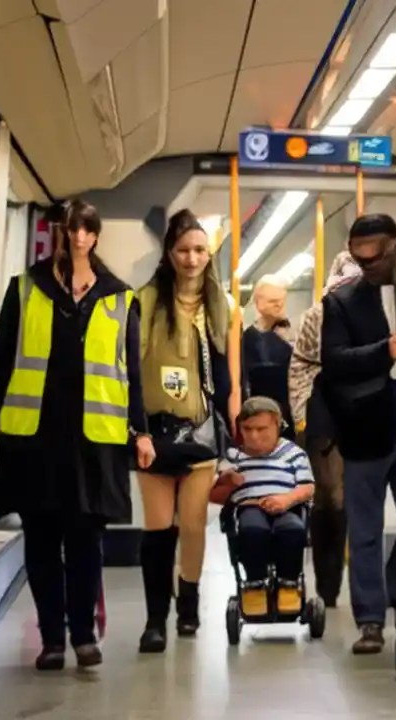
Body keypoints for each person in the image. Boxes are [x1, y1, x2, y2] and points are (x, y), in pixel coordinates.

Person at [0, 200, 153, 670]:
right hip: (34, 434)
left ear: (96, 236)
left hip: (95, 437)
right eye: (71, 230)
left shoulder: (120, 296)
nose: (78, 238)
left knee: (84, 540)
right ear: (61, 234)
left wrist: (142, 431)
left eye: (87, 230)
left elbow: (131, 372)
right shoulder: (26, 288)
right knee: (40, 540)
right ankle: (51, 638)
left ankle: (83, 635)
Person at [320, 215, 396, 654]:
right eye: (358, 257)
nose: (367, 265)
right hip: (365, 426)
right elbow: (335, 360)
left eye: (375, 256)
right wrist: (385, 351)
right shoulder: (341, 301)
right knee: (363, 528)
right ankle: (369, 620)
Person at [135, 209, 234, 652]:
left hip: (201, 434)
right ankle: (155, 617)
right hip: (153, 434)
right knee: (158, 529)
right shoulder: (146, 301)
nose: (192, 259)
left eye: (199, 250)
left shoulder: (225, 306)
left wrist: (237, 434)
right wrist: (134, 428)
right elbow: (130, 369)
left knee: (193, 526)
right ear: (170, 254)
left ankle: (188, 605)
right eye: (183, 250)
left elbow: (233, 377)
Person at [288, 251, 363, 607]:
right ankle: (328, 583)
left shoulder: (378, 313)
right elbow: (300, 367)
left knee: (353, 498)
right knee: (329, 496)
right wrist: (302, 415)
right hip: (323, 417)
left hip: (364, 412)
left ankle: (351, 583)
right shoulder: (317, 315)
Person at [212, 397, 314, 618]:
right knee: (251, 530)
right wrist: (228, 482)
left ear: (277, 424)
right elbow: (214, 496)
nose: (254, 436)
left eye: (261, 429)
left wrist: (287, 499)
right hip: (250, 508)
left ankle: (289, 583)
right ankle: (254, 584)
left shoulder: (293, 453)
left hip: (286, 507)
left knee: (293, 530)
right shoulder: (233, 457)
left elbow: (308, 487)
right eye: (247, 429)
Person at [242, 274, 295, 438]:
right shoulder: (246, 340)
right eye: (273, 301)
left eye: (282, 300)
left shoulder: (294, 336)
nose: (279, 305)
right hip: (259, 419)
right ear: (258, 303)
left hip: (289, 417)